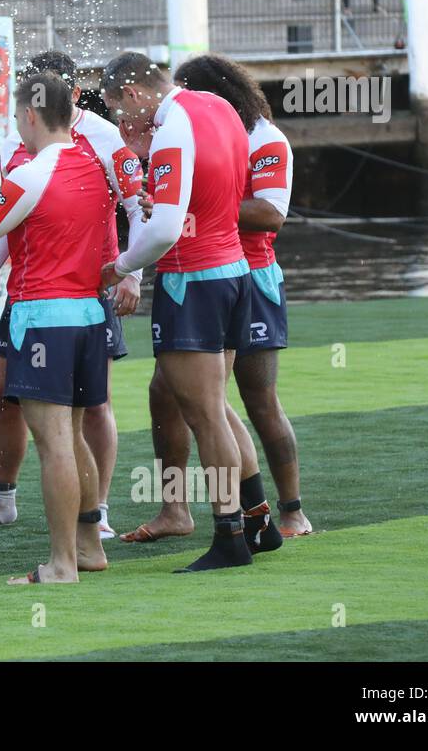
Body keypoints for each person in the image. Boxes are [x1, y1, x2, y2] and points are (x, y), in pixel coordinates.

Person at [0, 51, 145, 539]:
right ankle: (10, 502)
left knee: (69, 429)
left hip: (73, 295)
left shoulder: (101, 141)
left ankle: (88, 523)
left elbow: (136, 206)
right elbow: (8, 228)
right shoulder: (28, 155)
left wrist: (131, 274)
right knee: (10, 397)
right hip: (54, 300)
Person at [101, 51, 279, 573]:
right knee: (218, 408)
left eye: (118, 111)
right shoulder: (219, 107)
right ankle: (258, 520)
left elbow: (162, 230)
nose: (123, 125)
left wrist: (118, 266)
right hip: (233, 272)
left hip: (191, 281)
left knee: (204, 415)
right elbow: (216, 191)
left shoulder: (174, 125)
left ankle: (229, 536)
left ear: (133, 94)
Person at [169, 54, 312, 540]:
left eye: (186, 92)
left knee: (257, 399)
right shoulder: (206, 133)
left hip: (252, 278)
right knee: (173, 394)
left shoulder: (265, 139)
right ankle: (178, 508)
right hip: (209, 276)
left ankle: (290, 512)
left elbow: (272, 213)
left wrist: (201, 203)